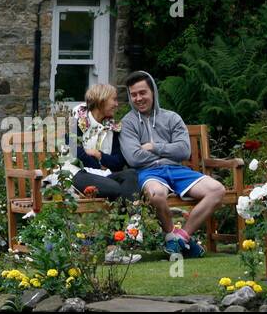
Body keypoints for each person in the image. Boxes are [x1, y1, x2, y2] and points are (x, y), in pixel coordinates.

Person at [118, 70, 227, 257]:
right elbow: (134, 158)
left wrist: (153, 147)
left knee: (217, 190)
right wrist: (169, 152)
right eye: (133, 94)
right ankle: (172, 237)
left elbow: (184, 151)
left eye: (142, 92)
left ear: (153, 92)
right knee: (155, 195)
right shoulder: (127, 123)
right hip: (149, 173)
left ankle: (180, 237)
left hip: (177, 170)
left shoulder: (172, 118)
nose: (138, 98)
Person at [71, 83, 140, 264]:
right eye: (114, 99)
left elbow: (119, 161)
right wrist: (97, 161)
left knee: (130, 174)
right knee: (116, 189)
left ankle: (134, 224)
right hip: (77, 173)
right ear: (101, 100)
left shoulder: (114, 128)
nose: (117, 104)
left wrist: (99, 155)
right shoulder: (78, 120)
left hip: (104, 174)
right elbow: (75, 153)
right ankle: (112, 248)